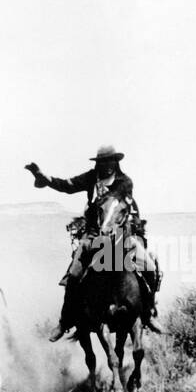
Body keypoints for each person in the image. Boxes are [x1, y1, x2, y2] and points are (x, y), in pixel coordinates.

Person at [25, 144, 160, 340]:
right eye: (102, 161)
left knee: (149, 267)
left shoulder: (124, 181)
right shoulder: (91, 177)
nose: (106, 164)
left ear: (116, 161)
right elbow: (67, 186)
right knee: (74, 275)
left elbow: (114, 199)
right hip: (93, 236)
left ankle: (149, 312)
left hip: (122, 236)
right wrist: (43, 177)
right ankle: (65, 321)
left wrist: (100, 201)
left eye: (109, 160)